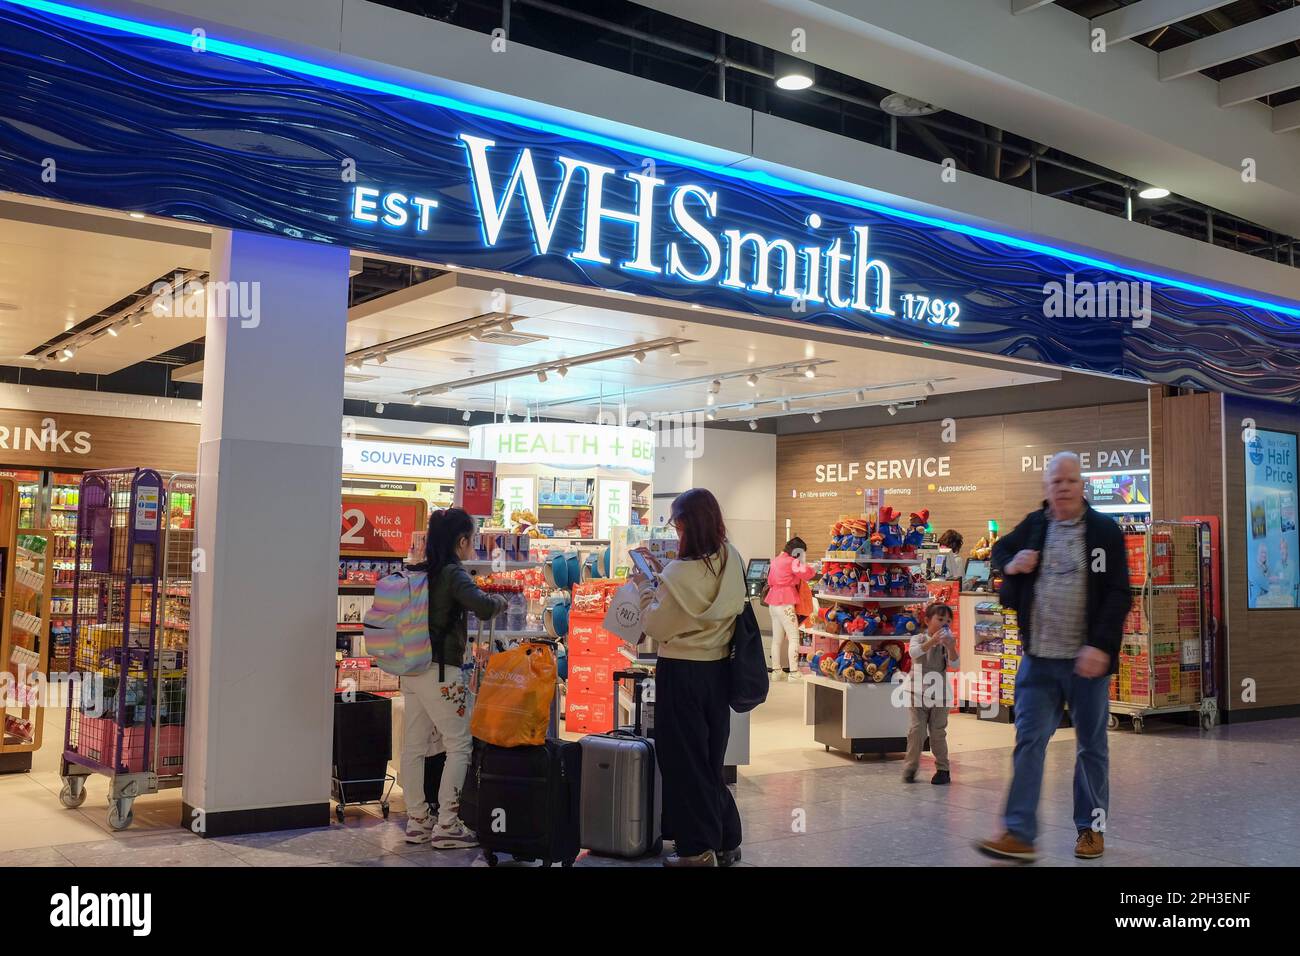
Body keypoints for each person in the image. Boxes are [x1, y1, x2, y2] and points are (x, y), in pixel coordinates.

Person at [976, 452, 1130, 862]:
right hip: (1038, 661)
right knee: (1029, 741)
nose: (1062, 488)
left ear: (1082, 486)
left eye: (1070, 481)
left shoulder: (1103, 531)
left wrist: (1101, 645)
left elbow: (1118, 593)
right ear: (1045, 488)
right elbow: (999, 553)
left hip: (1085, 661)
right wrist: (1012, 563)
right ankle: (1019, 833)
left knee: (1091, 747)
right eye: (1055, 482)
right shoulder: (1034, 525)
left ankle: (1091, 830)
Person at [638, 488, 746, 868]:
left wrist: (646, 586)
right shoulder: (731, 559)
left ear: (685, 524)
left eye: (675, 522)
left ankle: (697, 849)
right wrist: (662, 574)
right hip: (719, 673)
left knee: (683, 762)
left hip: (681, 673)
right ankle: (726, 838)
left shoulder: (677, 575)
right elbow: (703, 595)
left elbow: (656, 623)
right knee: (709, 760)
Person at [401, 508, 506, 849]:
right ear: (461, 541)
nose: (472, 545)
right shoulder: (453, 573)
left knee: (414, 746)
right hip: (442, 671)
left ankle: (417, 820)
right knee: (459, 744)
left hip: (412, 668)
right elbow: (484, 607)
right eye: (471, 539)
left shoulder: (420, 570)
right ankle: (447, 822)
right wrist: (500, 600)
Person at [903, 603, 958, 785]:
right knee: (916, 731)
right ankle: (911, 767)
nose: (945, 624)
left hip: (940, 695)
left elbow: (956, 665)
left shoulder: (947, 643)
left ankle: (943, 769)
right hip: (916, 692)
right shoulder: (918, 638)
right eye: (940, 619)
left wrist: (951, 647)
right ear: (927, 620)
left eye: (948, 621)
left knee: (937, 733)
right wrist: (932, 641)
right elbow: (914, 653)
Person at [764, 537, 816, 681]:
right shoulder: (792, 562)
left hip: (772, 602)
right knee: (793, 637)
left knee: (777, 639)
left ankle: (776, 671)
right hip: (786, 601)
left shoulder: (775, 560)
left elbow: (769, 581)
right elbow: (808, 574)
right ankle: (793, 672)